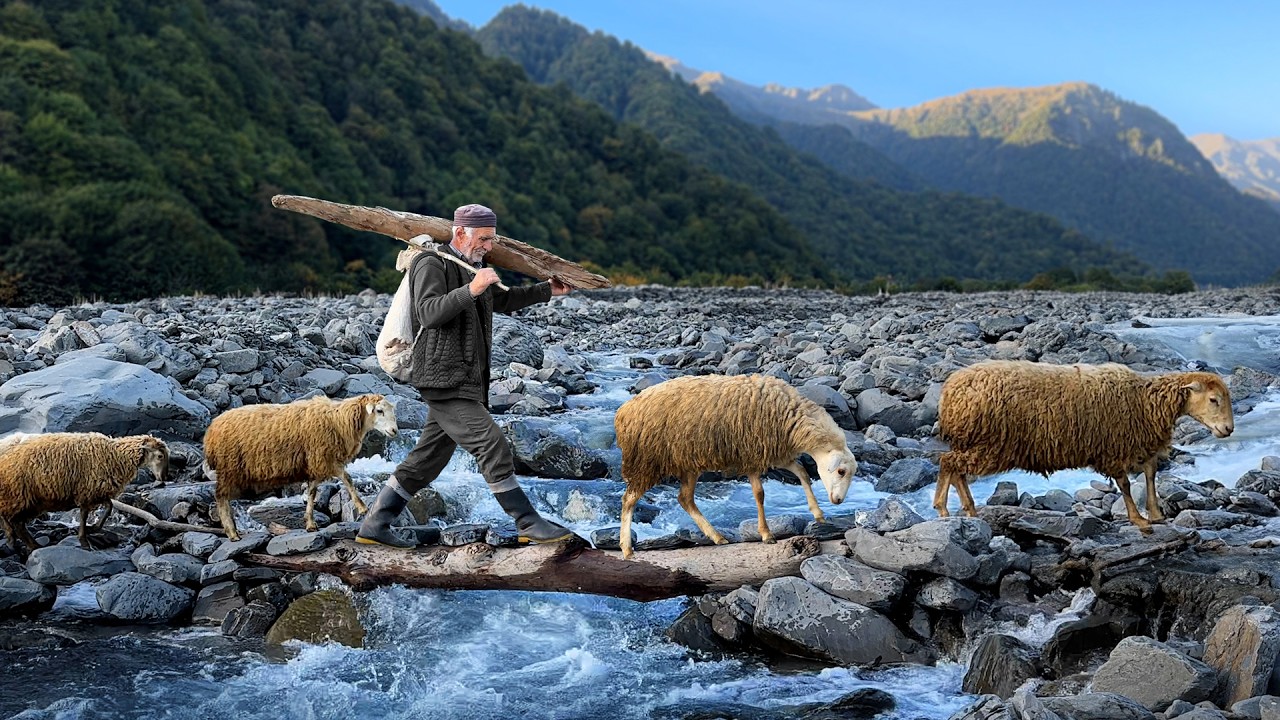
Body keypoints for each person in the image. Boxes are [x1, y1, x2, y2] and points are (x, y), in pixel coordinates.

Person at [357, 203, 576, 547]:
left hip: (461, 379)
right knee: (492, 445)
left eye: (492, 240)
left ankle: (374, 526)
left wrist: (547, 289)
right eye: (485, 239)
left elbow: (500, 300)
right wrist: (472, 289)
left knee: (426, 461)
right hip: (443, 380)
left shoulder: (472, 265)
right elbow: (429, 313)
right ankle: (527, 523)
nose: (489, 247)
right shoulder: (430, 263)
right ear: (460, 233)